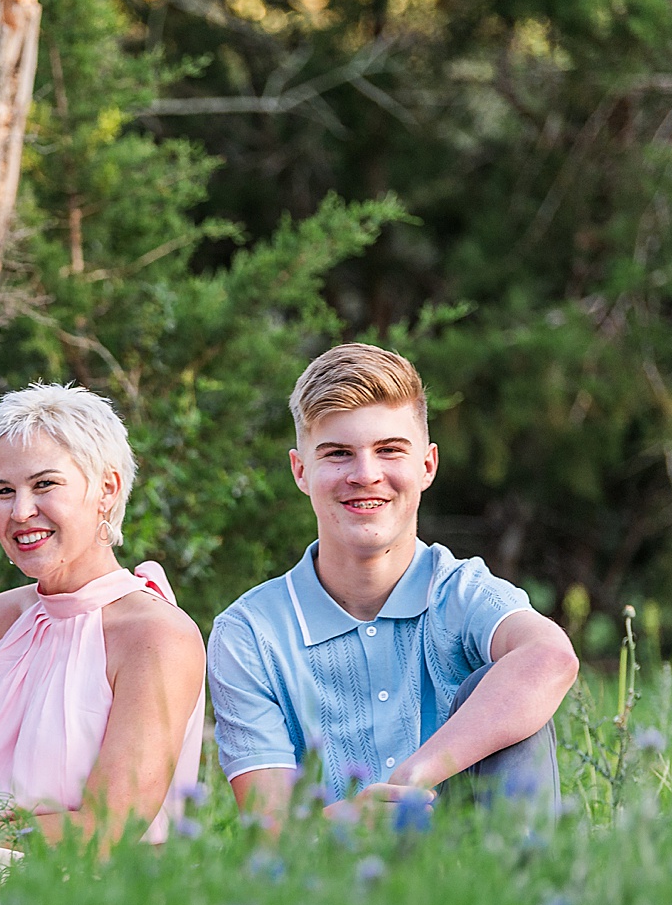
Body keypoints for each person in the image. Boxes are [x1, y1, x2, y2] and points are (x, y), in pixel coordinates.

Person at [207, 343, 580, 820]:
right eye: (339, 454)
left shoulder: (464, 593)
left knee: (507, 680)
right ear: (302, 472)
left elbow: (550, 657)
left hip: (481, 877)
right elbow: (271, 830)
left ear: (427, 466)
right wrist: (352, 822)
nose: (366, 475)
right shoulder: (249, 633)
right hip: (329, 883)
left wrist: (414, 777)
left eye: (389, 451)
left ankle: (526, 889)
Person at [0, 383, 207, 849]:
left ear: (107, 489)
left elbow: (106, 831)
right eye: (3, 491)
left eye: (44, 484)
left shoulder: (157, 636)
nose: (20, 511)